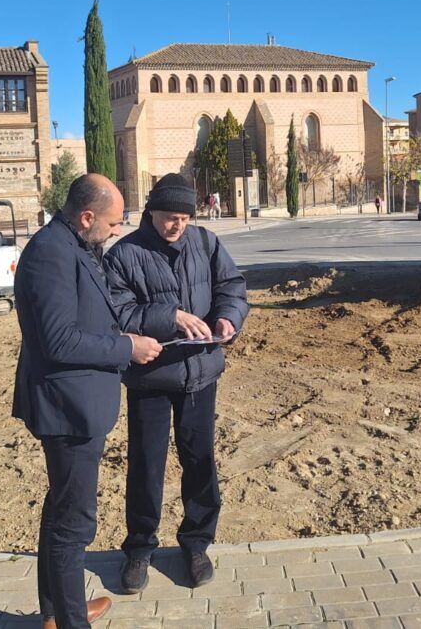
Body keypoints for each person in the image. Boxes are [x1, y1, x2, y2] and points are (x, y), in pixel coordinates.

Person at [12, 174, 163, 629]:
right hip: (67, 409)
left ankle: (60, 610)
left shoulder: (76, 244)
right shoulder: (50, 254)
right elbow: (59, 340)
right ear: (86, 216)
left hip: (78, 403)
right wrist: (125, 348)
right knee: (73, 522)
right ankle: (70, 621)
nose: (117, 231)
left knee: (61, 509)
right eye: (113, 223)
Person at [103, 173, 249, 594]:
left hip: (200, 373)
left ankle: (197, 543)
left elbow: (232, 288)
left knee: (200, 459)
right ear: (151, 212)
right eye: (170, 217)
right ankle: (139, 550)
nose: (177, 226)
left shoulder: (206, 243)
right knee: (146, 465)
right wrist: (169, 315)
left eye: (184, 218)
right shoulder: (125, 253)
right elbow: (117, 311)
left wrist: (228, 317)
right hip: (150, 376)